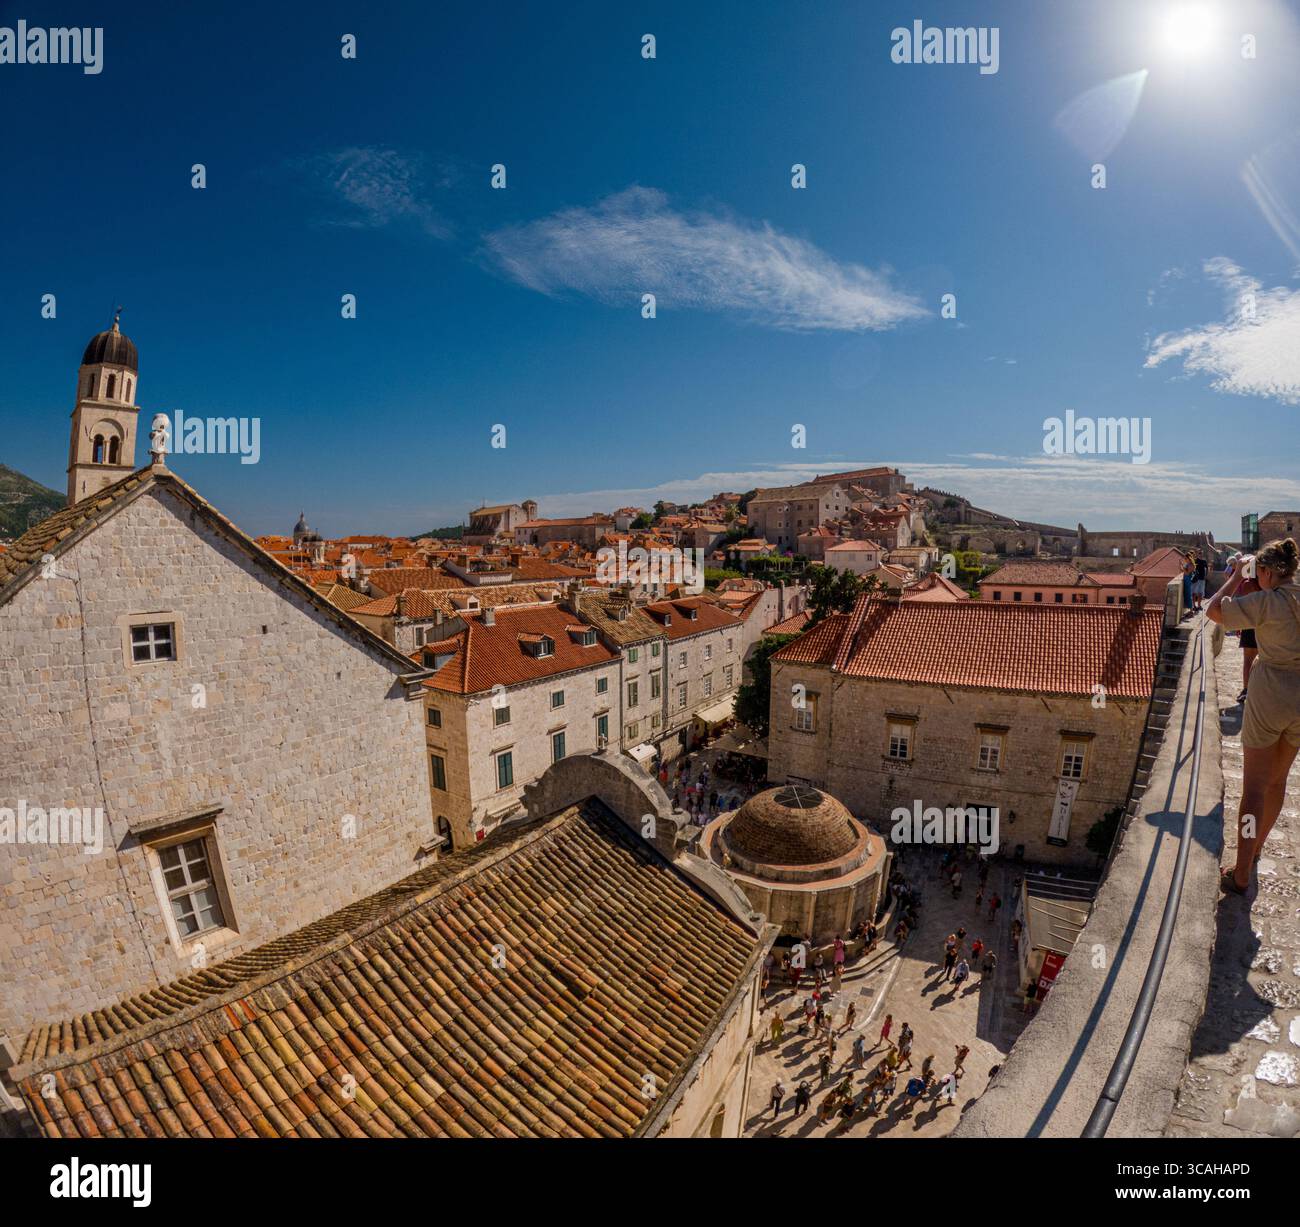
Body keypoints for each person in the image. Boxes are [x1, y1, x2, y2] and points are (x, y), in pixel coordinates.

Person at [1207, 539, 1300, 894]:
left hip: (1269, 695)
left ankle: (1241, 871)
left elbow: (1215, 610)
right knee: (1278, 782)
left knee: (1253, 791)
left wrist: (1234, 575)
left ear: (1264, 571)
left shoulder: (1266, 601)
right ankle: (1257, 848)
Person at [1235, 569, 1262, 702]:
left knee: (1247, 660)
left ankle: (1246, 689)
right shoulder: (1268, 586)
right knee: (1261, 659)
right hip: (1263, 624)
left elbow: (1244, 605)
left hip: (1249, 623)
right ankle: (1256, 690)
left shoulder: (1247, 585)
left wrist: (1240, 624)